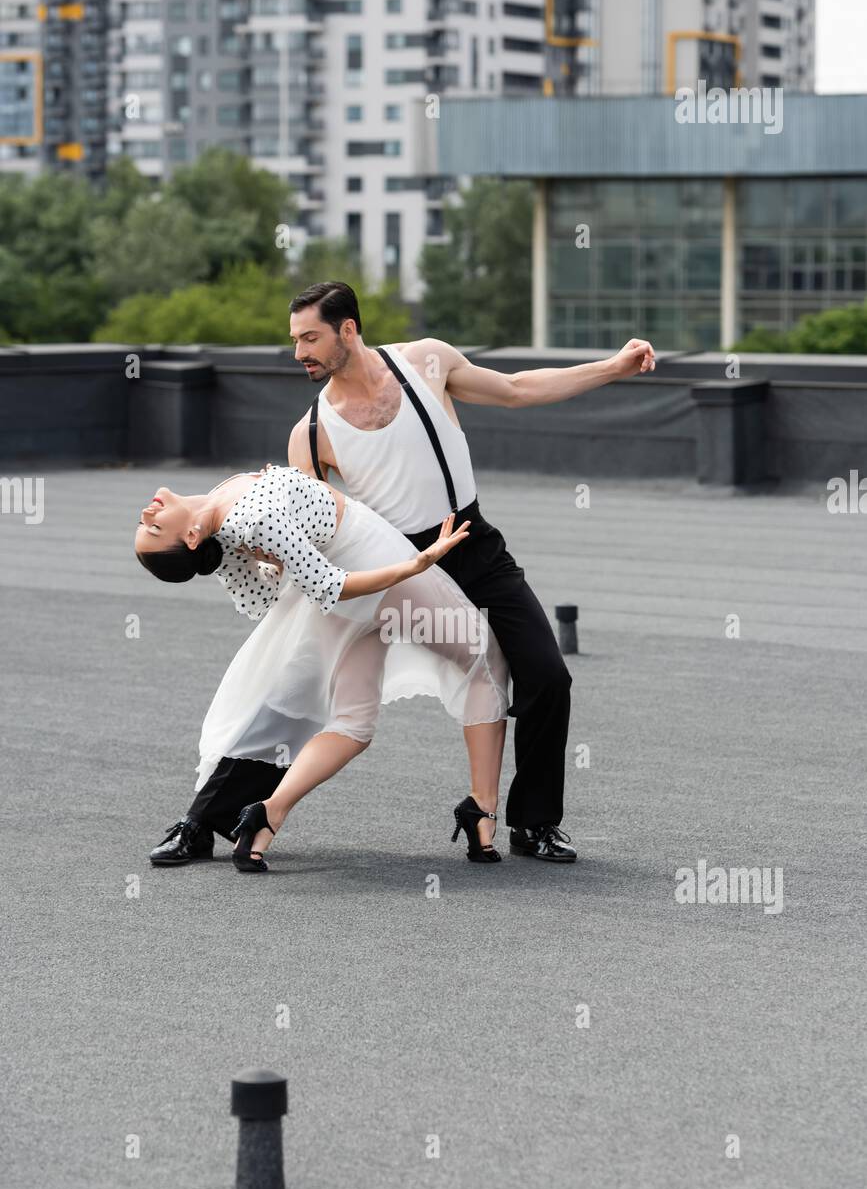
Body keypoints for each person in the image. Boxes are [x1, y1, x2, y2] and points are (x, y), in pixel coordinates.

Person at [153, 281, 655, 867]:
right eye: (294, 341)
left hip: (473, 547)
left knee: (546, 676)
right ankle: (200, 824)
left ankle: (534, 825)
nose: (299, 354)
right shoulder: (310, 434)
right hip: (388, 566)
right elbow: (307, 531)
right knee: (293, 691)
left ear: (348, 329)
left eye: (309, 338)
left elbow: (517, 389)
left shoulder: (426, 361)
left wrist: (613, 368)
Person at [136, 464, 509, 871]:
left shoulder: (223, 504)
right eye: (153, 530)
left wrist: (273, 556)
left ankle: (268, 814)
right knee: (482, 658)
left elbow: (262, 596)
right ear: (191, 537)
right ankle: (483, 809)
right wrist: (416, 565)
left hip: (352, 601)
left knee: (353, 724)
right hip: (380, 569)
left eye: (146, 525)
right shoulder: (247, 521)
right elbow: (328, 584)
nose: (147, 515)